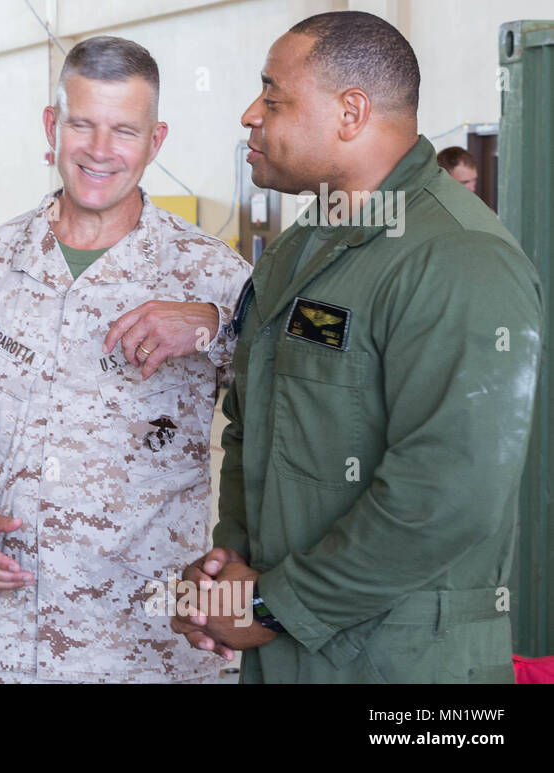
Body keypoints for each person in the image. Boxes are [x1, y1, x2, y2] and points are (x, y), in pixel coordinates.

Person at [174, 11, 541, 684]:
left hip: (400, 666)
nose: (251, 114)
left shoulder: (457, 257)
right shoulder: (296, 253)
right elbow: (252, 431)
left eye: (274, 97)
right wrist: (229, 571)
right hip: (282, 650)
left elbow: (447, 493)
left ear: (351, 112)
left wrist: (274, 603)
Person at [0, 36, 251, 683]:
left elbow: (303, 412)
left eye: (124, 129)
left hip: (148, 649)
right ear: (53, 127)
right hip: (0, 641)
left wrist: (224, 325)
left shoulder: (213, 277)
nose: (101, 150)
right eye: (82, 123)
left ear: (156, 140)